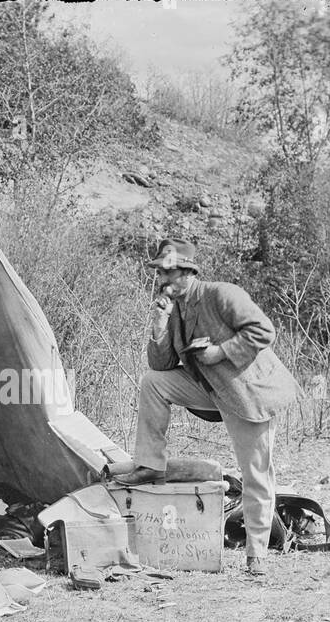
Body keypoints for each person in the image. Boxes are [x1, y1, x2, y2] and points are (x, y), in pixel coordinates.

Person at [115, 239, 298, 576]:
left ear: (188, 272)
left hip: (247, 392)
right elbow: (162, 363)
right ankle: (151, 464)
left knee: (255, 473)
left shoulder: (221, 294)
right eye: (159, 272)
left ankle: (256, 554)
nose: (162, 279)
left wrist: (220, 352)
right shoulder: (175, 307)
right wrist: (159, 323)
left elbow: (264, 330)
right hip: (211, 389)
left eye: (169, 272)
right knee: (152, 382)